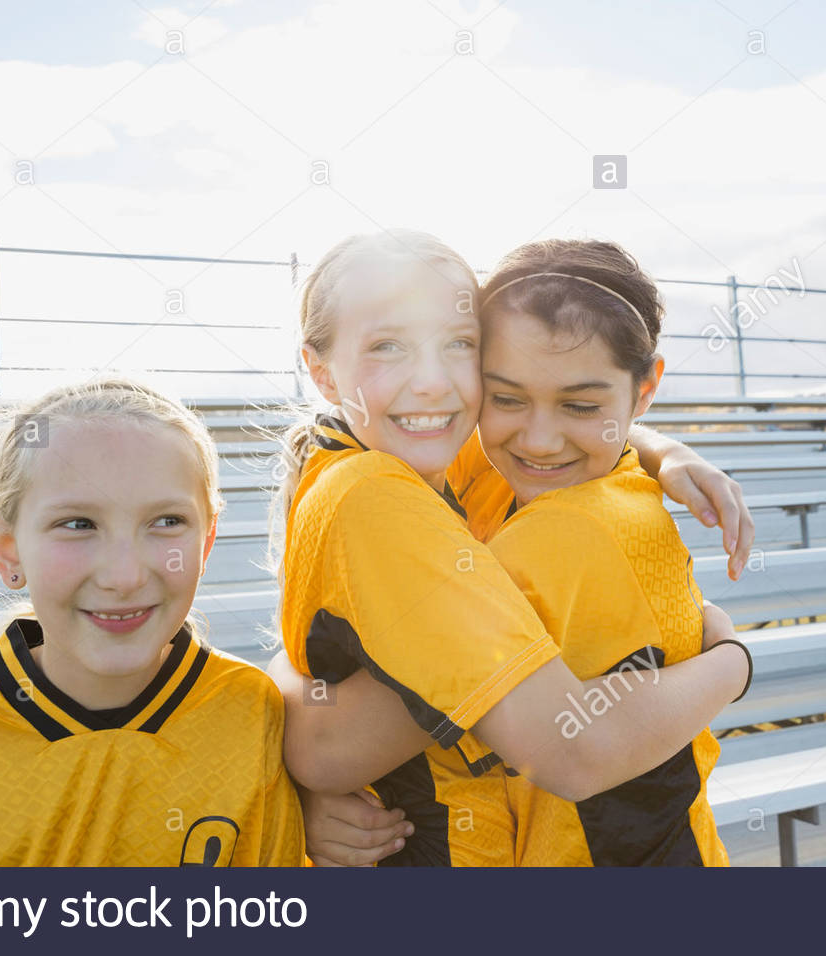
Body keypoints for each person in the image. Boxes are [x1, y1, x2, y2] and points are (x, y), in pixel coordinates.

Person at [266, 230, 752, 865]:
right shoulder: (379, 491)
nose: (434, 383)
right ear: (322, 372)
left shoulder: (456, 460)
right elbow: (570, 752)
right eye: (388, 347)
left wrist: (665, 451)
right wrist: (734, 659)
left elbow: (320, 728)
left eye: (458, 346)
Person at [0, 377, 305, 866]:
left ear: (206, 540)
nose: (124, 576)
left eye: (166, 521)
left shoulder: (254, 716)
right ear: (5, 546)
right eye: (77, 524)